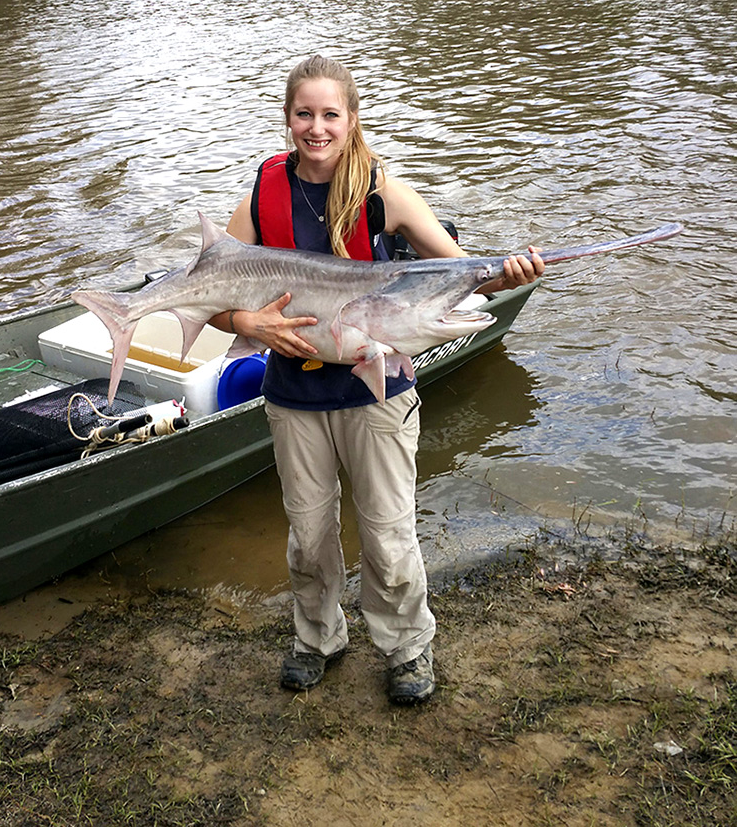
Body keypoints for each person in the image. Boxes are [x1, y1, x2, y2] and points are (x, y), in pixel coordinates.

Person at [211, 54, 544, 704]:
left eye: (330, 114)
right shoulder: (260, 196)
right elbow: (208, 297)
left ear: (352, 119)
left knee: (388, 534)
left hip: (378, 393)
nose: (316, 128)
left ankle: (407, 648)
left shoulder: (383, 192)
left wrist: (512, 271)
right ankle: (317, 639)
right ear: (287, 119)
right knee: (308, 536)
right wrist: (246, 319)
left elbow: (465, 271)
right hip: (293, 395)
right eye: (304, 114)